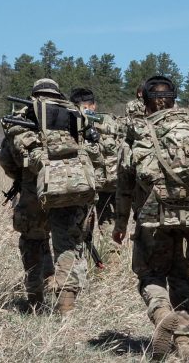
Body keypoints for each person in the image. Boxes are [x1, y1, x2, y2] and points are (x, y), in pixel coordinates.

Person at [113, 76, 189, 360]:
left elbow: (124, 183)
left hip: (153, 219)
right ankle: (184, 342)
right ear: (175, 97)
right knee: (181, 275)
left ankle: (162, 313)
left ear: (144, 101)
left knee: (149, 274)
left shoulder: (139, 130)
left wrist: (120, 223)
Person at [0, 78, 94, 314]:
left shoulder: (24, 113)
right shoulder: (75, 113)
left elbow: (7, 159)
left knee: (32, 240)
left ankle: (35, 298)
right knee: (68, 243)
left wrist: (23, 178)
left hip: (35, 187)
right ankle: (66, 304)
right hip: (73, 187)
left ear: (34, 94)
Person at [70, 88, 121, 262]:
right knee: (98, 226)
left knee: (93, 226)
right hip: (100, 183)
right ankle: (104, 266)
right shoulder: (103, 121)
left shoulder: (101, 121)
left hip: (97, 184)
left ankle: (101, 266)